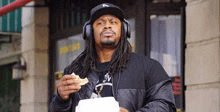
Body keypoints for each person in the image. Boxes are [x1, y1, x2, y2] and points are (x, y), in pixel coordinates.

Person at [50, 3, 176, 112]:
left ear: (124, 30)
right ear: (89, 32)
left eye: (113, 22)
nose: (107, 26)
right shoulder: (74, 71)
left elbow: (166, 105)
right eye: (100, 23)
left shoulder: (149, 67)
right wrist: (60, 98)